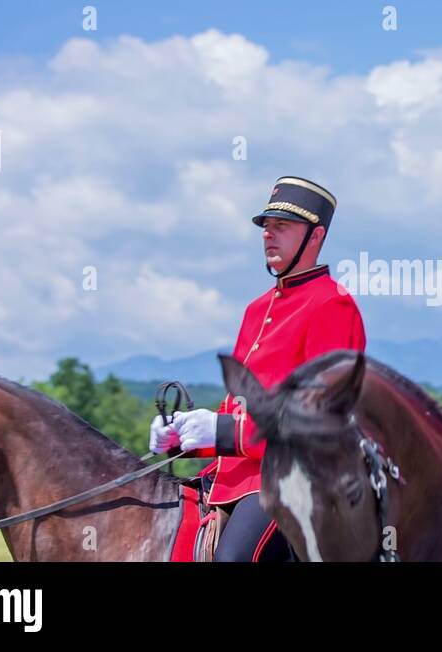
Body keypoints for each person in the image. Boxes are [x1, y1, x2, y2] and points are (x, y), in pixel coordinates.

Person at [151, 176, 366, 561]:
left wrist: (225, 432)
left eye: (281, 227)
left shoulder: (332, 304)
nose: (269, 236)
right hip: (232, 478)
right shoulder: (257, 308)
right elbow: (236, 406)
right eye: (266, 228)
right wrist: (186, 436)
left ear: (315, 237)